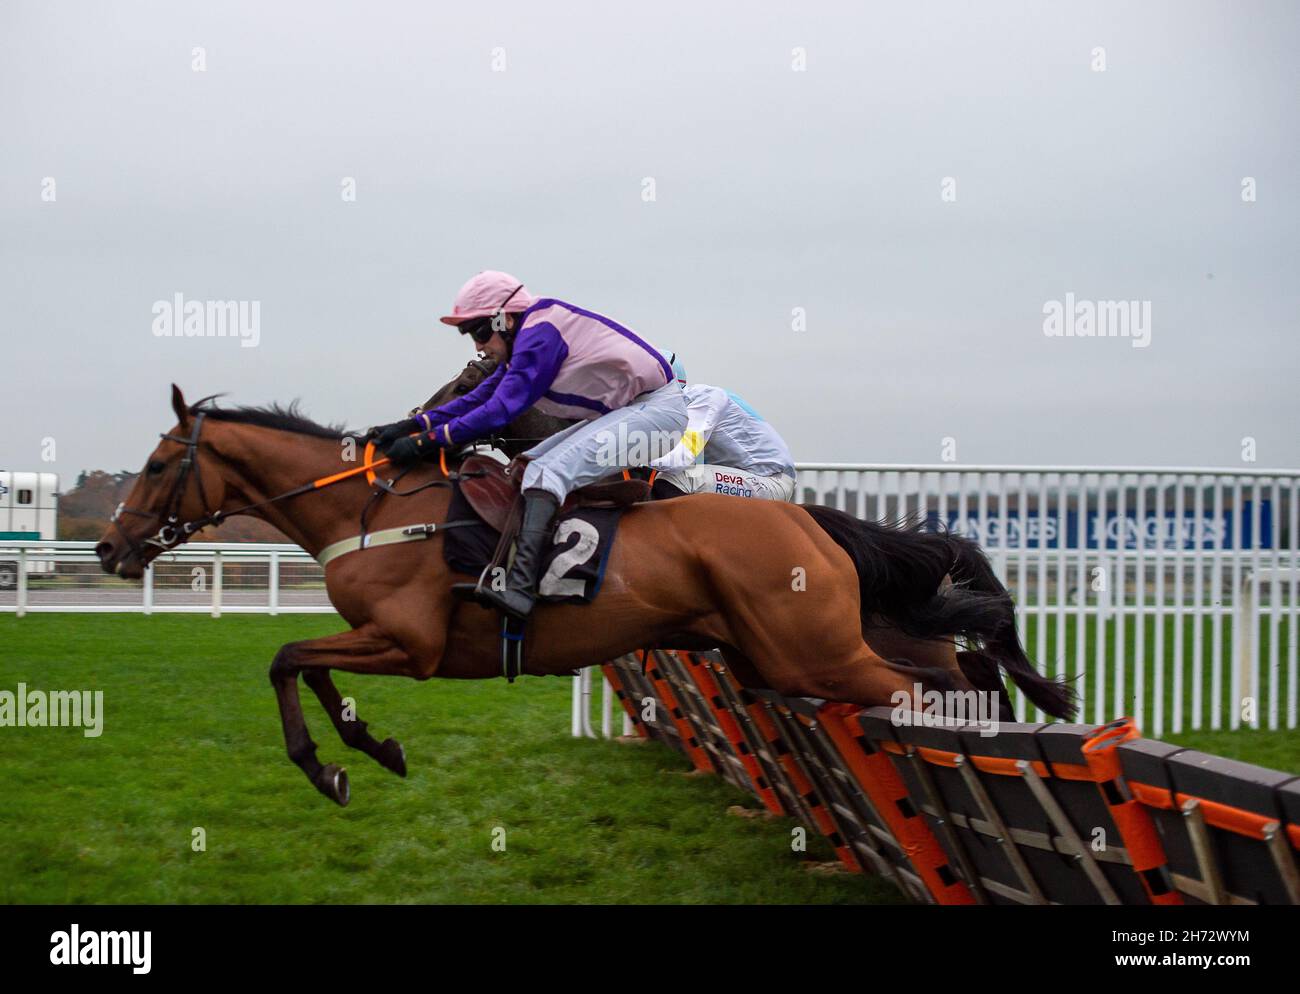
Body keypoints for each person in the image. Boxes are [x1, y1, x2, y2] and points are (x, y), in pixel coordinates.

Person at [368, 270, 687, 620]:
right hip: (632, 409)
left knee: (545, 473)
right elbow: (480, 396)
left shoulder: (540, 335)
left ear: (504, 319)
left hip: (657, 414)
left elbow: (499, 410)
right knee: (527, 464)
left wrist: (425, 443)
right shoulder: (530, 332)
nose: (477, 345)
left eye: (479, 331)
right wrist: (409, 426)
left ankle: (521, 590)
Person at [650, 384, 797, 502]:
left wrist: (633, 456)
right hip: (750, 477)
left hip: (769, 482)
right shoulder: (678, 412)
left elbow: (677, 460)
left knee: (676, 479)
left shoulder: (705, 399)